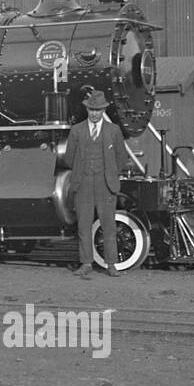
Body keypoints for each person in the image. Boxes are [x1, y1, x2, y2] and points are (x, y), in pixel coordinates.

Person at [63, 90, 125, 278]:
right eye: (91, 109)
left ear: (103, 110)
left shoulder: (113, 130)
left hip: (106, 185)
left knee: (109, 227)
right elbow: (68, 158)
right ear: (87, 109)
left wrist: (111, 174)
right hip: (83, 185)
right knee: (83, 226)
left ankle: (111, 264)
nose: (95, 113)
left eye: (98, 110)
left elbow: (121, 157)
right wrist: (81, 172)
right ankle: (86, 263)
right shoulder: (77, 130)